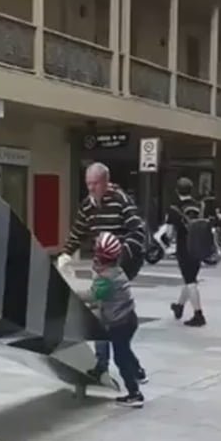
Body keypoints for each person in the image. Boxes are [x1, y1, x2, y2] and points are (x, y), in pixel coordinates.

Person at [57, 162, 148, 382]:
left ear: (106, 182)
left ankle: (119, 366)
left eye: (95, 184)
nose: (91, 188)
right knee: (102, 312)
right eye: (88, 183)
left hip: (119, 265)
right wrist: (65, 254)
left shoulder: (121, 200)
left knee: (105, 311)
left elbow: (138, 231)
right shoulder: (88, 205)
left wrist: (120, 256)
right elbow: (78, 230)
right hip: (101, 263)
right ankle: (109, 364)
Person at [77, 233, 145, 408]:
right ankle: (138, 371)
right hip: (128, 319)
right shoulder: (117, 270)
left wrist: (73, 295)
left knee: (121, 358)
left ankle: (134, 394)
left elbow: (93, 295)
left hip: (118, 324)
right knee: (124, 350)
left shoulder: (106, 278)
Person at [167, 177, 207, 327]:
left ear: (177, 191)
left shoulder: (174, 208)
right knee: (190, 277)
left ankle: (198, 314)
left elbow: (169, 233)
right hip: (199, 246)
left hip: (184, 247)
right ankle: (179, 306)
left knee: (190, 281)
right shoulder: (200, 205)